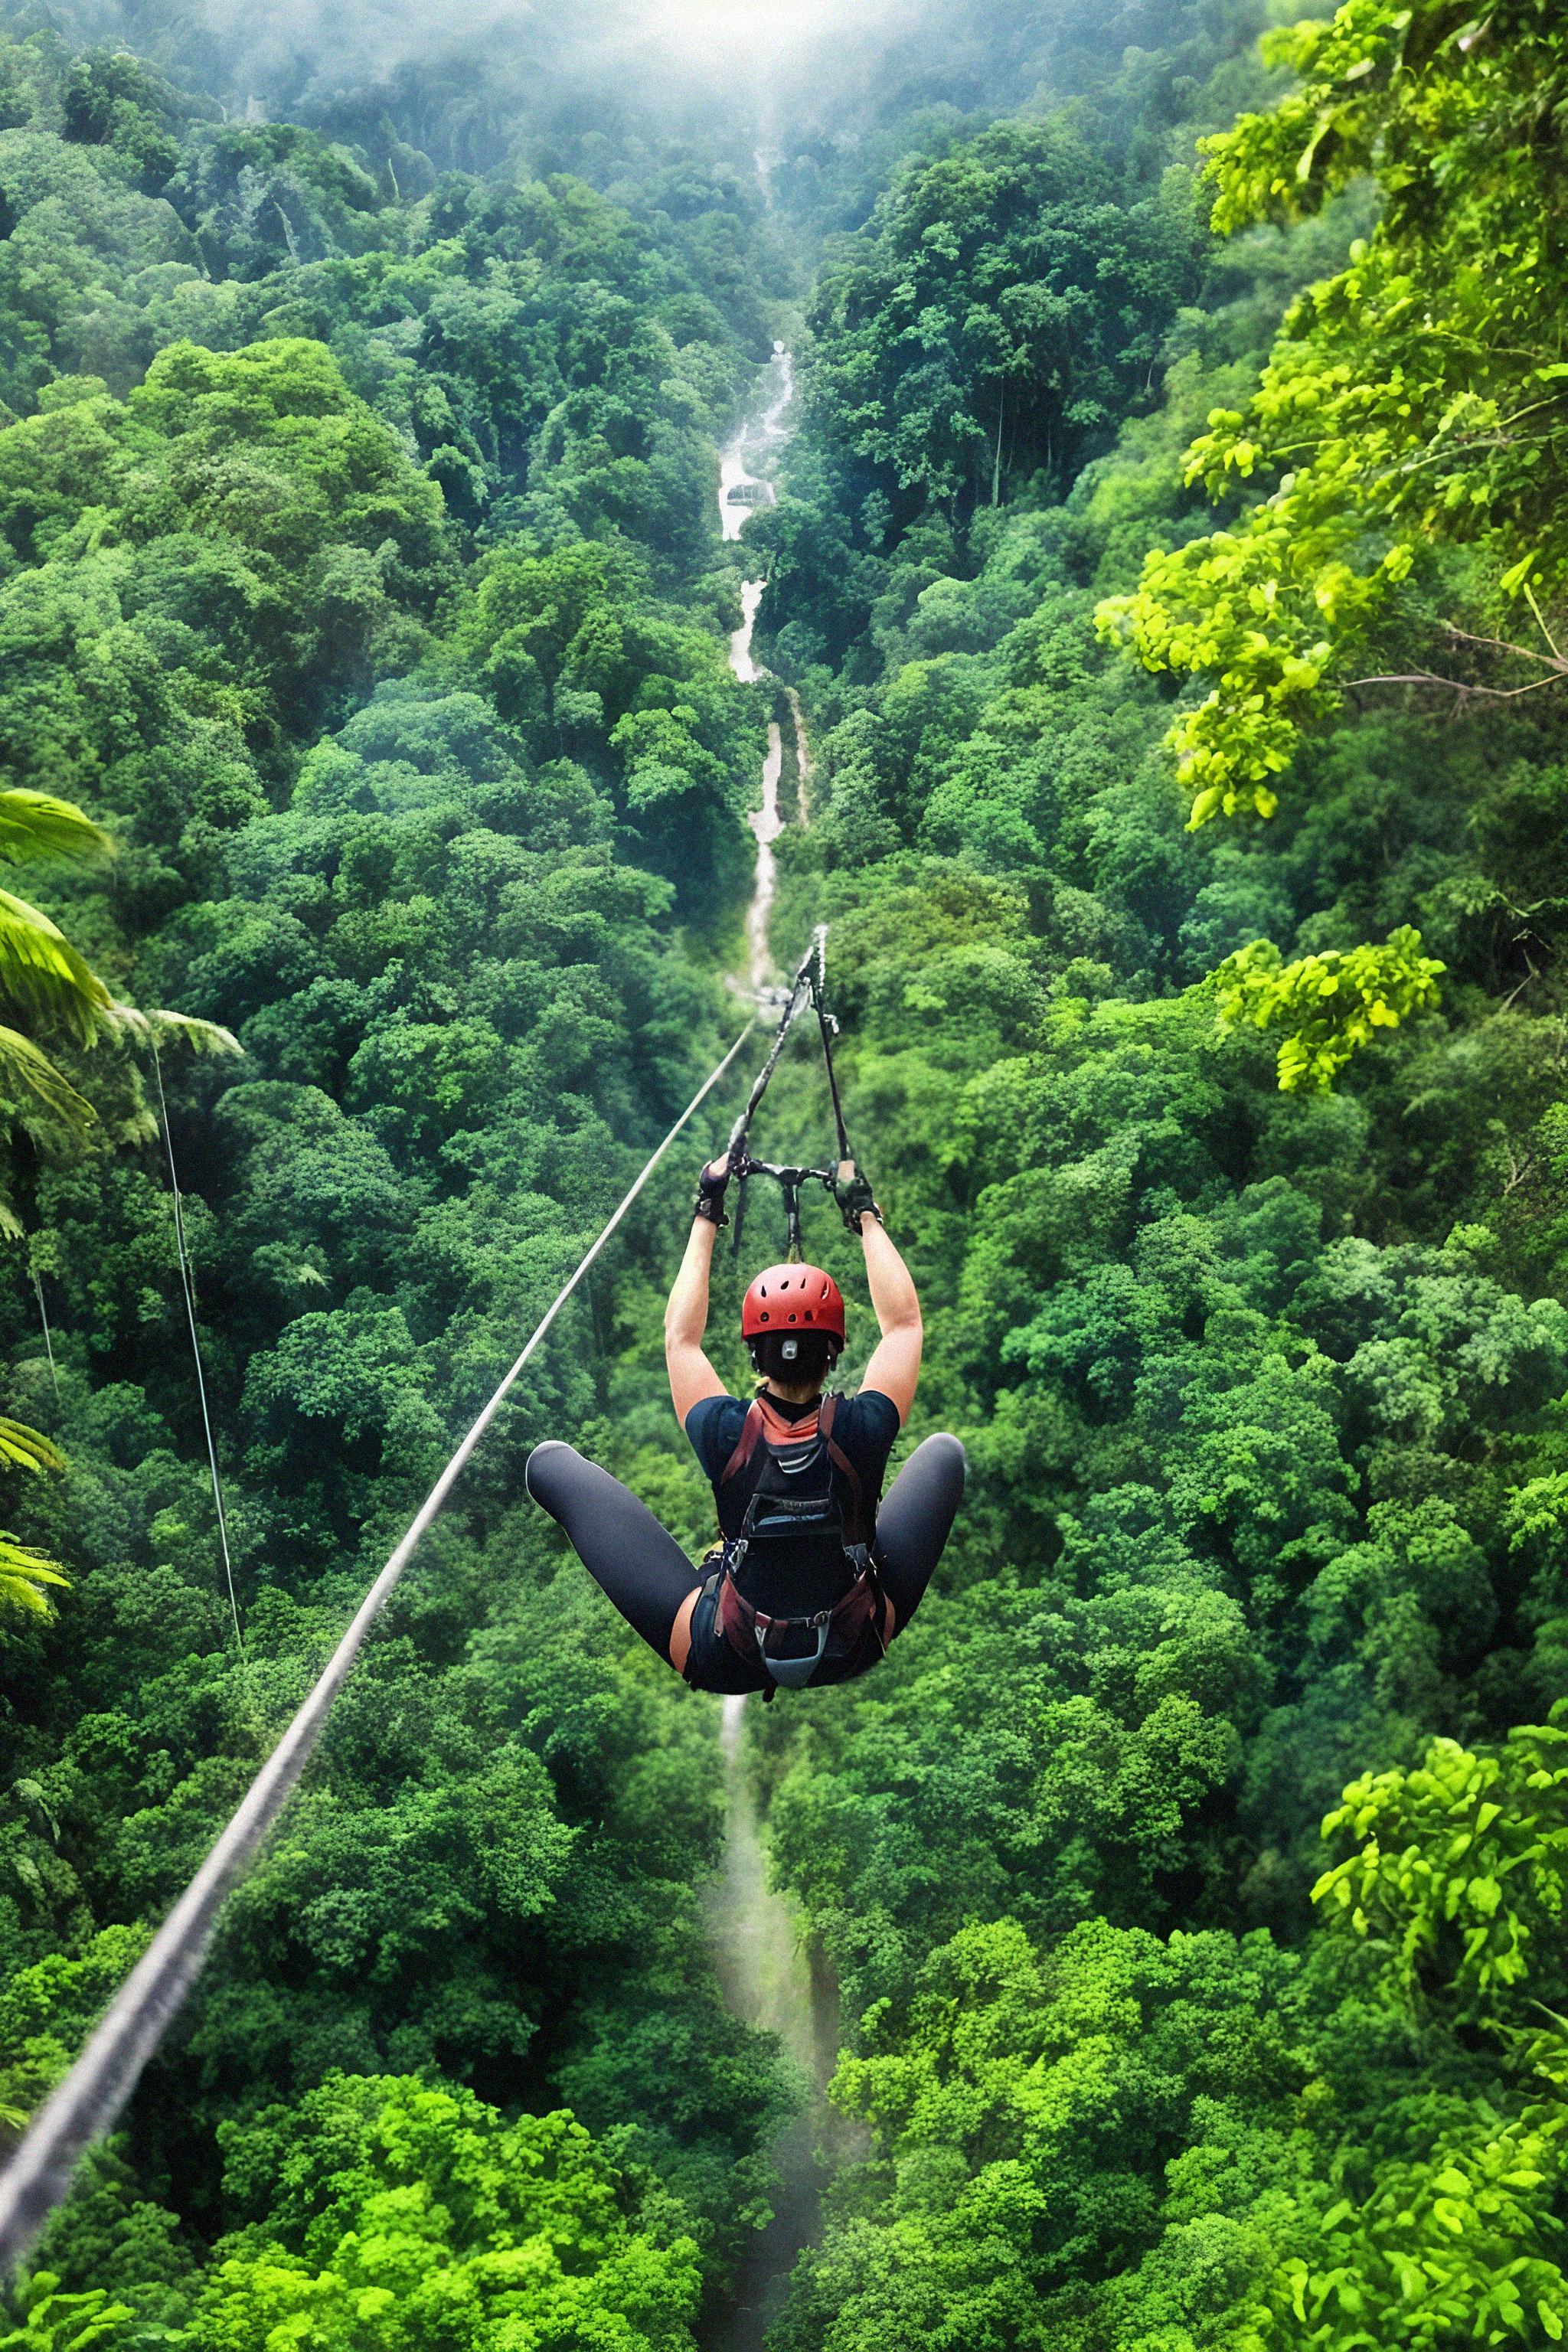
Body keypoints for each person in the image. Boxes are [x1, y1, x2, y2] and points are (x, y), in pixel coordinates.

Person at [524, 1155, 965, 1694]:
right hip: (853, 1644)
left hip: (726, 1654)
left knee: (548, 1464)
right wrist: (864, 1212)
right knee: (943, 1453)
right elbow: (903, 1326)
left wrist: (708, 1205)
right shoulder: (863, 1428)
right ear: (834, 1351)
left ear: (755, 1356)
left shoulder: (724, 1431)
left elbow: (680, 1338)